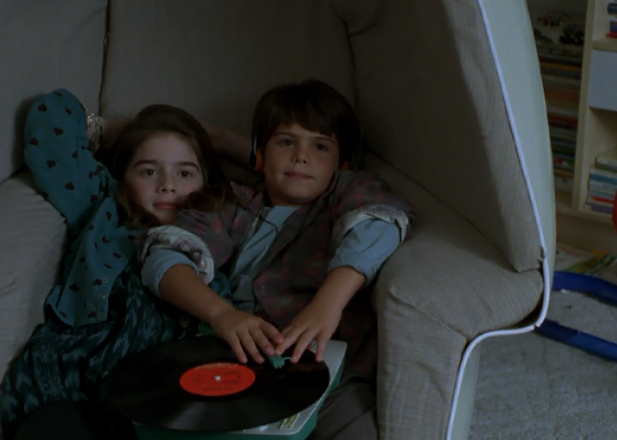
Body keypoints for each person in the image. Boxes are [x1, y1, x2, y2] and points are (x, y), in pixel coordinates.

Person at [141, 79, 415, 439]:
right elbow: (165, 258)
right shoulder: (229, 202)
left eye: (320, 146)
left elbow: (381, 222)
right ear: (259, 155)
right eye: (286, 142)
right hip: (235, 361)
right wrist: (221, 314)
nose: (301, 156)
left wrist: (327, 304)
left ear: (342, 164)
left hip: (328, 371)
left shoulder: (347, 191)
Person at [0, 88, 230, 440]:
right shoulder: (100, 205)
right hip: (69, 381)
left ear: (205, 181)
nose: (167, 186)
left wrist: (224, 140)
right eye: (149, 171)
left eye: (185, 174)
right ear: (122, 176)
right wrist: (114, 129)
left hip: (154, 399)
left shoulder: (215, 241)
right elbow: (49, 115)